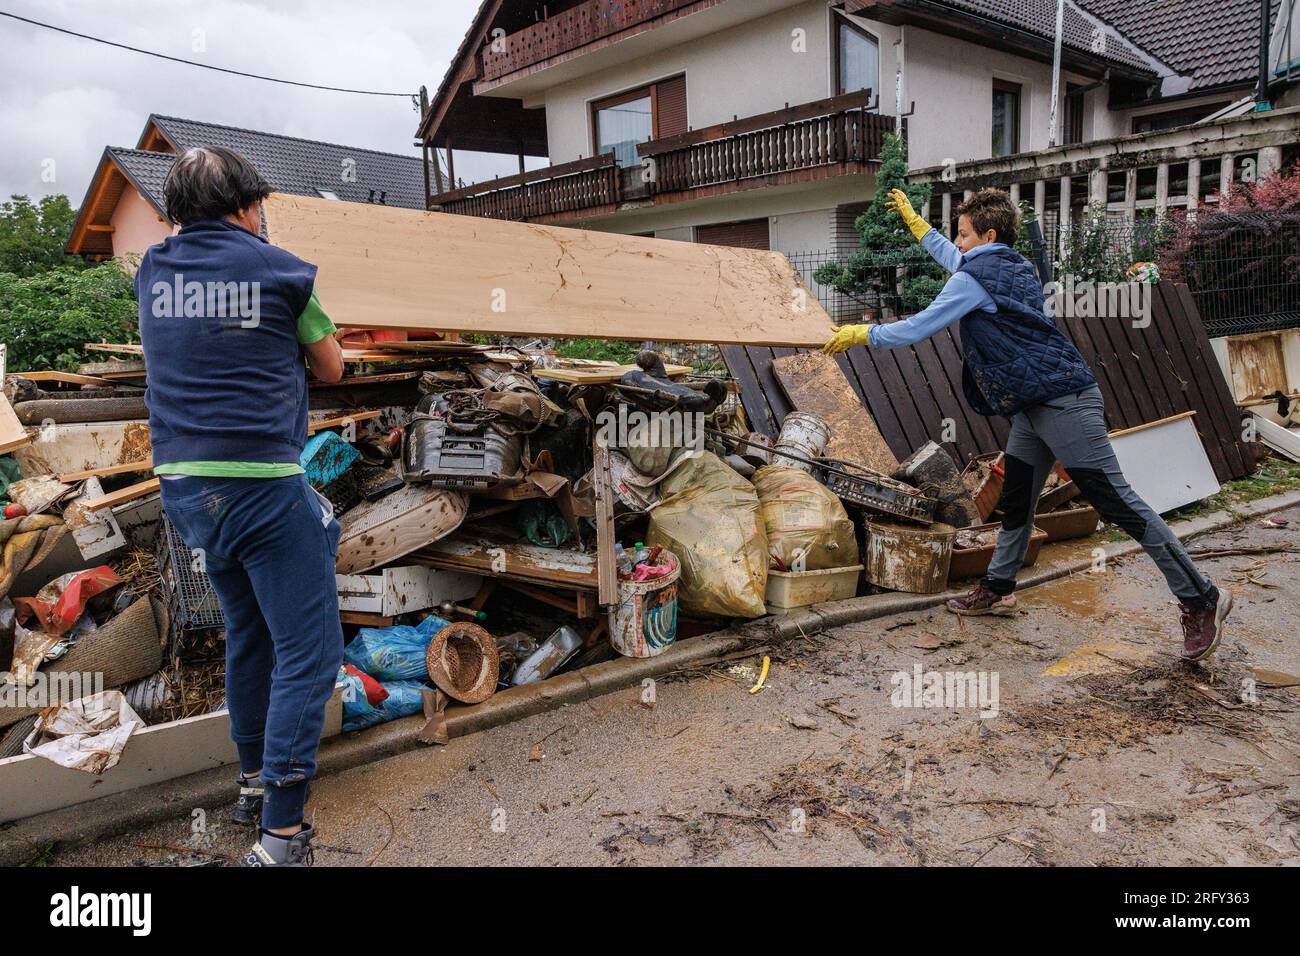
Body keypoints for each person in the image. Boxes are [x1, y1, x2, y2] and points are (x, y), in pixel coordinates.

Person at [823, 187, 1231, 661]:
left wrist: (861, 333)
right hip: (1032, 406)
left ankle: (1202, 597)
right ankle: (999, 586)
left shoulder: (977, 277)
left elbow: (918, 327)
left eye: (964, 234)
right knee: (1017, 499)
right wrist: (919, 227)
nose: (959, 243)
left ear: (988, 235)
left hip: (1062, 401)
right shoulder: (1012, 266)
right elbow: (956, 259)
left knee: (1116, 501)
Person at [137, 146, 346, 866]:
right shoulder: (281, 269)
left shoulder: (153, 271)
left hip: (187, 492)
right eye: (260, 205)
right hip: (260, 484)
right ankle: (282, 837)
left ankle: (254, 783)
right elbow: (332, 365)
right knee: (309, 655)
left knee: (249, 634)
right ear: (246, 206)